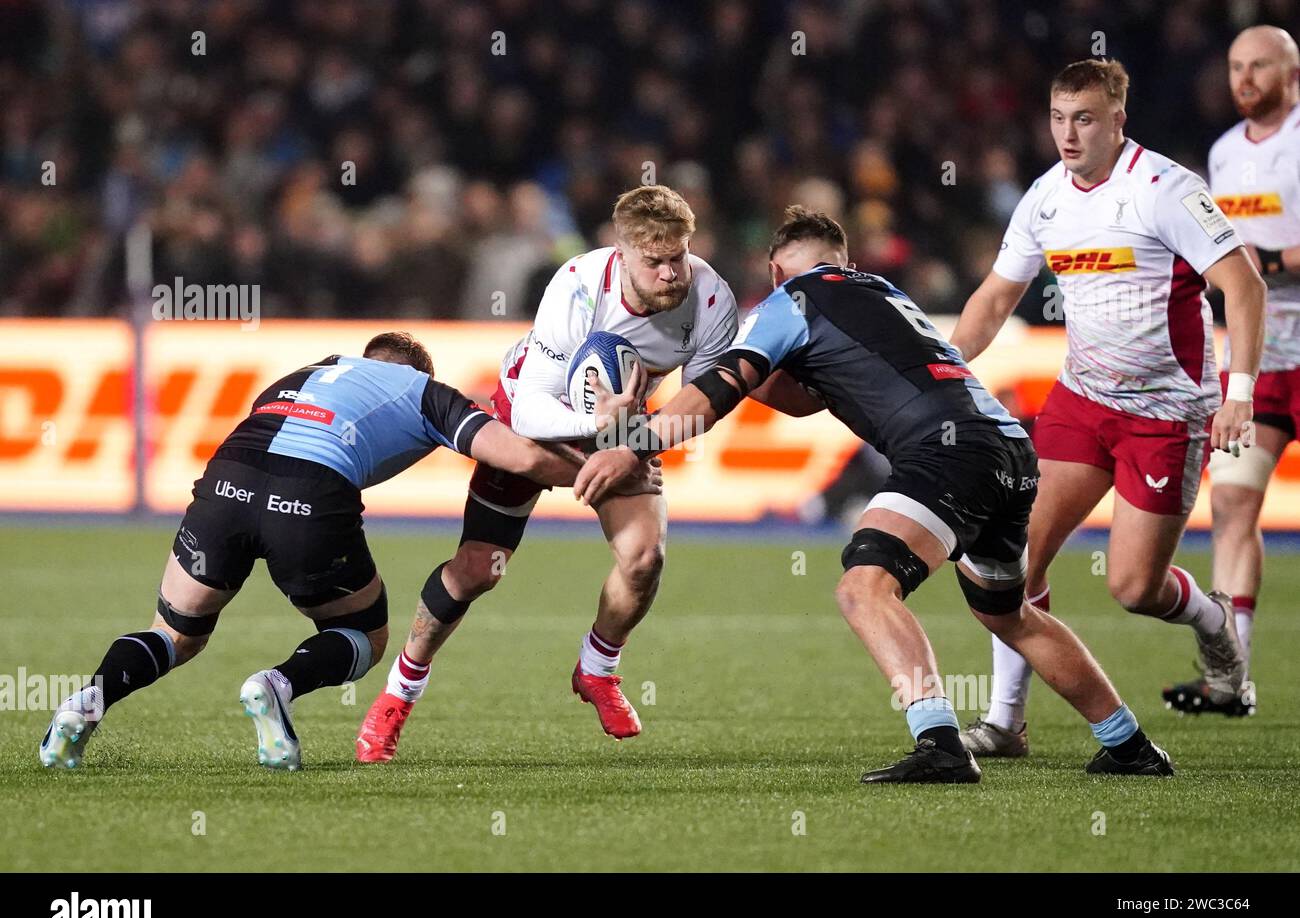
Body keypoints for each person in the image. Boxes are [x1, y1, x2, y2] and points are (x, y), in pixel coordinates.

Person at [575, 207, 1175, 782]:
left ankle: (939, 745)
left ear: (777, 273)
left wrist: (632, 439)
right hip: (1010, 450)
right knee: (1009, 614)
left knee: (864, 588)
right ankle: (1128, 743)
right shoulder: (883, 294)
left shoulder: (793, 299)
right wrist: (710, 373)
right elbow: (808, 397)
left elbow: (718, 393)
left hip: (947, 454)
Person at [39, 332, 657, 771]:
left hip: (227, 479)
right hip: (309, 495)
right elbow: (520, 457)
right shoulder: (423, 392)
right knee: (363, 634)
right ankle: (277, 685)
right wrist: (610, 467)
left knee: (175, 634)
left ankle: (85, 703)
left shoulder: (304, 373)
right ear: (420, 370)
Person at [354, 186, 741, 761]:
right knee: (477, 570)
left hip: (620, 427)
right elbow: (534, 409)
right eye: (653, 262)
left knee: (644, 557)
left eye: (677, 258)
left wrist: (628, 444)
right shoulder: (580, 286)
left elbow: (702, 406)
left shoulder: (710, 299)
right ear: (621, 252)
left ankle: (597, 669)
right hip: (528, 414)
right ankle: (396, 696)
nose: (669, 274)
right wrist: (600, 429)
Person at [949, 59, 1265, 758]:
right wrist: (941, 366)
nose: (1068, 133)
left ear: (1118, 119)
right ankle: (1006, 723)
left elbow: (1243, 289)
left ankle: (1213, 623)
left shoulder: (1166, 190)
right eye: (1059, 118)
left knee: (1132, 586)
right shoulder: (1044, 199)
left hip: (1167, 413)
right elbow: (995, 299)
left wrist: (1238, 393)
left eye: (1084, 119)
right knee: (1012, 562)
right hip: (1082, 401)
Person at [1165, 26, 1300, 716]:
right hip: (1265, 356)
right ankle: (1232, 676)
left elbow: (1251, 261)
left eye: (1258, 67)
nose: (1244, 79)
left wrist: (1262, 266)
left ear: (1290, 70)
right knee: (1233, 503)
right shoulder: (1221, 153)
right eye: (1235, 67)